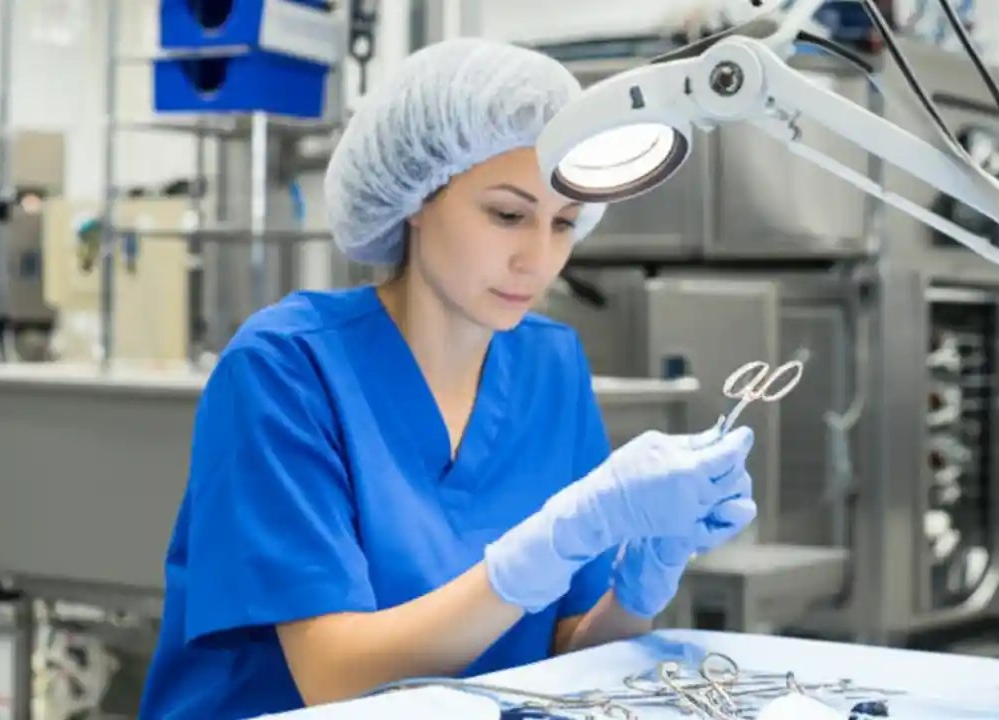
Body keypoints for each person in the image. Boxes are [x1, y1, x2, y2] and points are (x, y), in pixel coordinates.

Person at [139, 37, 758, 719]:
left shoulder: (551, 366)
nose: (539, 258)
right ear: (415, 195)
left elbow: (569, 654)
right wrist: (547, 546)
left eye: (565, 223)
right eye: (507, 214)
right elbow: (333, 678)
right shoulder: (286, 368)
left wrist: (642, 583)